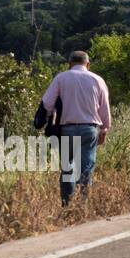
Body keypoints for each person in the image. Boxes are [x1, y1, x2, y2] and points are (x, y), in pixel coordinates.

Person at [40, 50, 110, 205]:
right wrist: (105, 129)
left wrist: (46, 120)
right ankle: (83, 207)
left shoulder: (61, 78)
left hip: (67, 130)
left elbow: (47, 103)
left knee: (67, 170)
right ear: (88, 64)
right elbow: (104, 108)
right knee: (85, 170)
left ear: (69, 63)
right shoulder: (98, 80)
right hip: (89, 130)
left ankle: (67, 206)